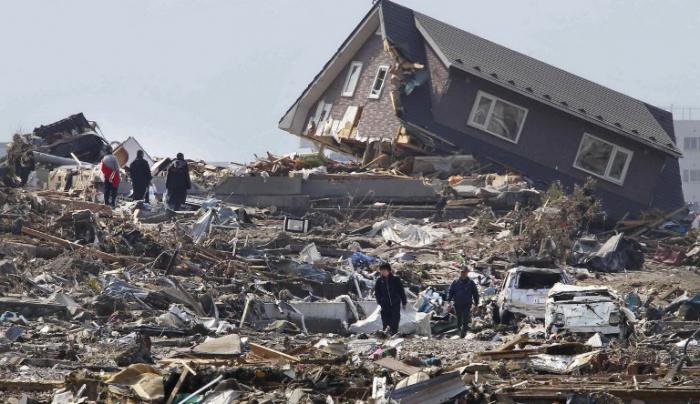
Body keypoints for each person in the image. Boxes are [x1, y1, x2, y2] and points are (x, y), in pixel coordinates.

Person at [374, 262, 407, 334]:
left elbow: (401, 291)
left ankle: (394, 334)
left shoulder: (396, 279)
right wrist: (380, 301)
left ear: (389, 270)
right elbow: (377, 293)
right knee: (385, 320)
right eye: (382, 271)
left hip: (395, 303)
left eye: (384, 270)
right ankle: (385, 334)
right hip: (385, 304)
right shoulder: (379, 281)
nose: (383, 272)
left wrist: (404, 302)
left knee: (395, 319)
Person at [446, 268, 480, 338]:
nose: (463, 273)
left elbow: (475, 293)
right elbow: (450, 292)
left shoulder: (471, 283)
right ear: (460, 273)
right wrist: (448, 301)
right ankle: (459, 330)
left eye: (465, 272)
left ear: (467, 273)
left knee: (465, 317)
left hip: (467, 304)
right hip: (457, 303)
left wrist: (476, 304)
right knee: (459, 318)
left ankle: (463, 332)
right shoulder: (455, 282)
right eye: (462, 272)